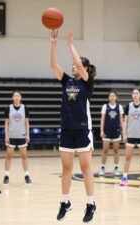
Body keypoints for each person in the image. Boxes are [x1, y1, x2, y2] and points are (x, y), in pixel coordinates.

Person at [50, 29, 97, 223]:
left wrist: (70, 44)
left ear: (84, 68)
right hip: (67, 129)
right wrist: (54, 43)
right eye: (72, 65)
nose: (73, 66)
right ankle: (65, 202)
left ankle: (91, 204)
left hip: (83, 130)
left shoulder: (87, 83)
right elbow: (53, 65)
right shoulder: (66, 81)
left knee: (86, 168)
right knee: (66, 168)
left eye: (77, 65)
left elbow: (78, 63)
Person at [120, 88, 140, 186]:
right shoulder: (128, 106)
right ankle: (124, 178)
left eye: (137, 93)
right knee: (127, 157)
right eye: (133, 93)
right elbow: (125, 122)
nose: (135, 95)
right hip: (130, 135)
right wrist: (124, 134)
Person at [3, 90, 31, 184]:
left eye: (18, 96)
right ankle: (6, 175)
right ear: (12, 98)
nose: (16, 97)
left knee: (24, 156)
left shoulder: (24, 108)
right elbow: (6, 123)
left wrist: (28, 134)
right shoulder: (9, 108)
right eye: (15, 96)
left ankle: (27, 175)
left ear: (20, 97)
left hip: (22, 135)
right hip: (11, 136)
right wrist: (6, 135)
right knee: (9, 156)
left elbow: (27, 123)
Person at [99, 90, 124, 177]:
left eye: (113, 96)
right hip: (106, 131)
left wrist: (124, 132)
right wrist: (101, 130)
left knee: (116, 150)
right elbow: (102, 120)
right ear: (108, 97)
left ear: (116, 97)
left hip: (116, 131)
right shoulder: (105, 106)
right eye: (110, 96)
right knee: (105, 150)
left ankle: (116, 168)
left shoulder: (119, 107)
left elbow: (121, 120)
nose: (112, 97)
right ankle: (102, 167)